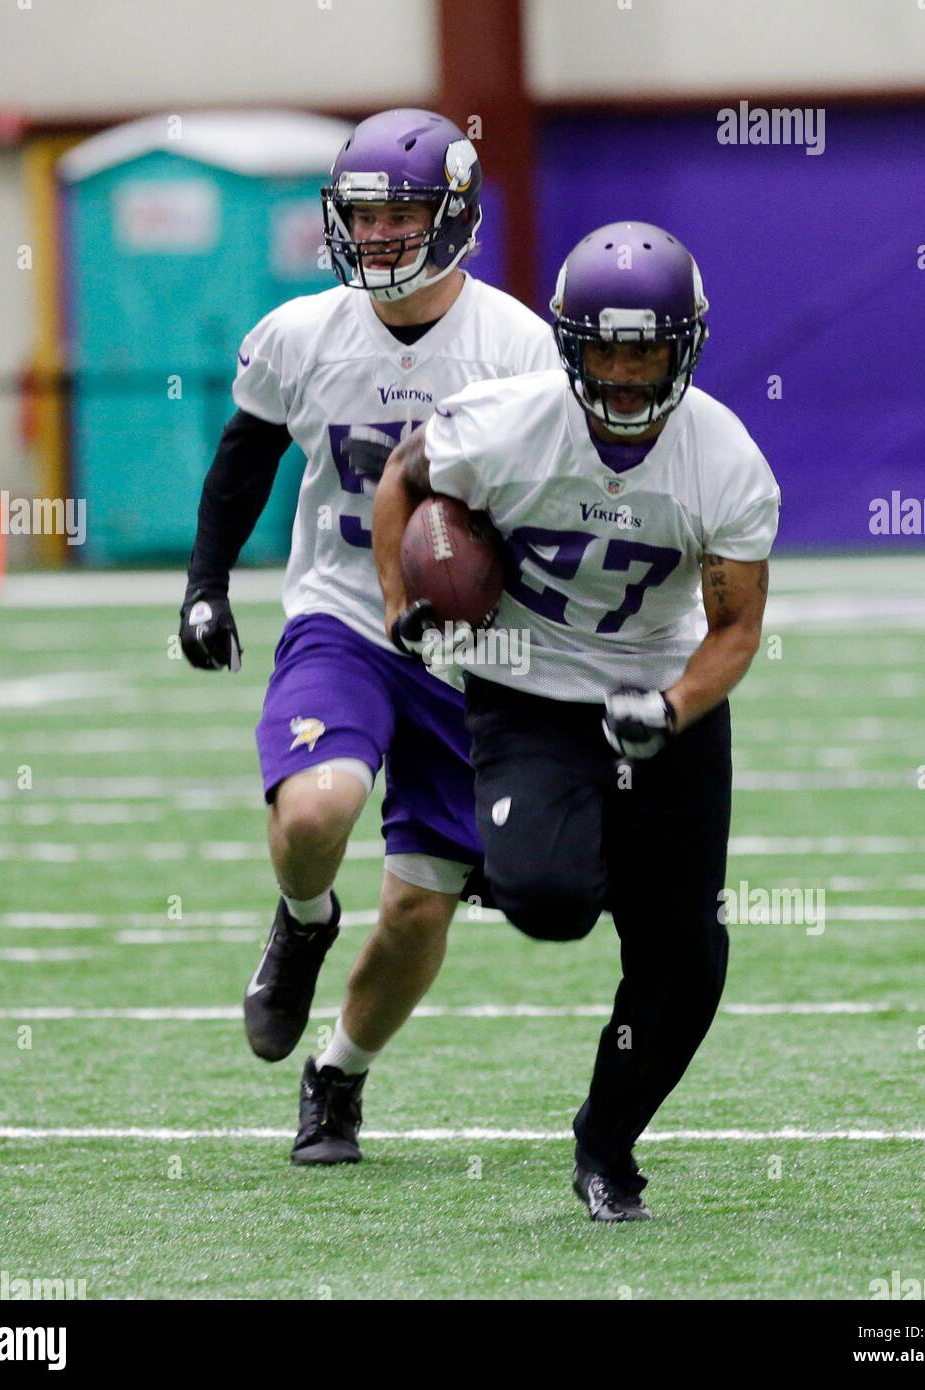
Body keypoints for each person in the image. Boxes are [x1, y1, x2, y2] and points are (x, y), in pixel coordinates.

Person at [373, 222, 780, 1220]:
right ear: (568, 344)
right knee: (549, 901)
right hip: (529, 687)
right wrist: (399, 603)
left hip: (658, 698)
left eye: (648, 347)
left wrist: (671, 706)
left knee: (684, 956)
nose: (628, 371)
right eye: (606, 346)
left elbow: (735, 630)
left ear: (685, 345)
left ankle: (606, 1140)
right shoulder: (501, 425)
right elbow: (400, 481)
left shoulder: (723, 459)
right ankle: (522, 852)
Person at [178, 109, 558, 1165]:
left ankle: (335, 1076)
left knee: (418, 911)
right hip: (343, 617)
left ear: (455, 216)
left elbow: (553, 501)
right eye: (365, 215)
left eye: (402, 214)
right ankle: (302, 918)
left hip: (466, 652)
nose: (381, 236)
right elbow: (244, 456)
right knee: (318, 805)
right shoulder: (302, 331)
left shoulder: (516, 346)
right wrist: (206, 585)